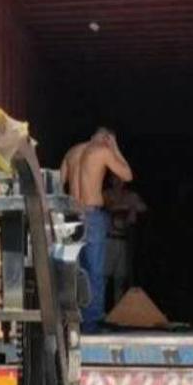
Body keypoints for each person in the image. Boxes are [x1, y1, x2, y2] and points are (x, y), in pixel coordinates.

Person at [60, 128, 133, 332]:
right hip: (92, 214)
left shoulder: (72, 152)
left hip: (71, 216)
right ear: (106, 138)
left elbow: (59, 184)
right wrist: (115, 147)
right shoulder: (103, 150)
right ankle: (92, 322)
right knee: (95, 271)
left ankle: (72, 319)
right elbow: (127, 175)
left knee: (72, 269)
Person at [103, 174, 147, 308]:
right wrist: (128, 206)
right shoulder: (106, 194)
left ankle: (118, 310)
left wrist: (131, 208)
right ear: (110, 180)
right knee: (103, 277)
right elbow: (109, 207)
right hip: (109, 240)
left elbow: (143, 207)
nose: (118, 181)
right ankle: (99, 311)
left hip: (124, 241)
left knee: (120, 279)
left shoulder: (130, 195)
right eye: (115, 178)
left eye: (120, 179)